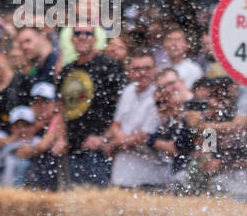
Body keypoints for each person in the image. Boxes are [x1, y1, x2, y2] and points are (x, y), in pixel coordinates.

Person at [57, 23, 126, 185]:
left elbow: (121, 108)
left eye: (87, 33)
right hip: (73, 147)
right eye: (77, 33)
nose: (82, 36)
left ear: (95, 39)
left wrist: (104, 138)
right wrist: (61, 138)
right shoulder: (66, 71)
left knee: (99, 204)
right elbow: (60, 108)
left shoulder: (110, 66)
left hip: (99, 149)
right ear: (71, 39)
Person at [103, 50, 171, 189]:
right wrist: (123, 140)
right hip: (122, 172)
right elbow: (116, 124)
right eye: (137, 69)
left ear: (155, 70)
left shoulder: (160, 95)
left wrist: (115, 143)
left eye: (147, 68)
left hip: (150, 176)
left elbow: (145, 136)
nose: (142, 73)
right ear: (130, 71)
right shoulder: (128, 90)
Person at [16, 81, 65, 190]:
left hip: (54, 174)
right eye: (37, 102)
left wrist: (28, 151)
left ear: (55, 104)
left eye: (46, 102)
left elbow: (44, 145)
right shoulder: (31, 122)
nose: (41, 107)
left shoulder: (57, 119)